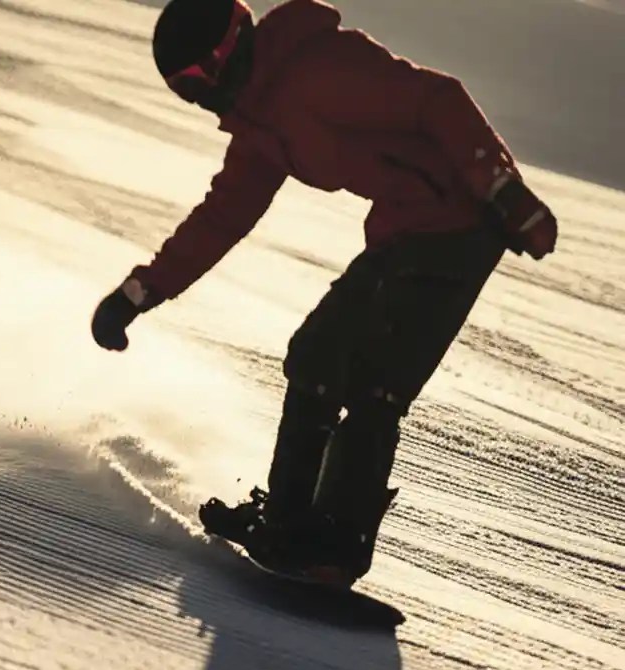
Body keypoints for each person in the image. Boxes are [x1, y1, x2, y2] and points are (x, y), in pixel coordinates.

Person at [90, 0, 558, 585]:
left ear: (228, 50)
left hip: (462, 226)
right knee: (315, 353)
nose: (198, 98)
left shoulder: (318, 72)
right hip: (402, 231)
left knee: (377, 382)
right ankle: (288, 519)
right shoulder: (260, 122)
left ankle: (338, 540)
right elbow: (222, 217)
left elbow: (438, 99)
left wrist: (504, 192)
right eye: (182, 91)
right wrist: (139, 292)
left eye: (196, 80)